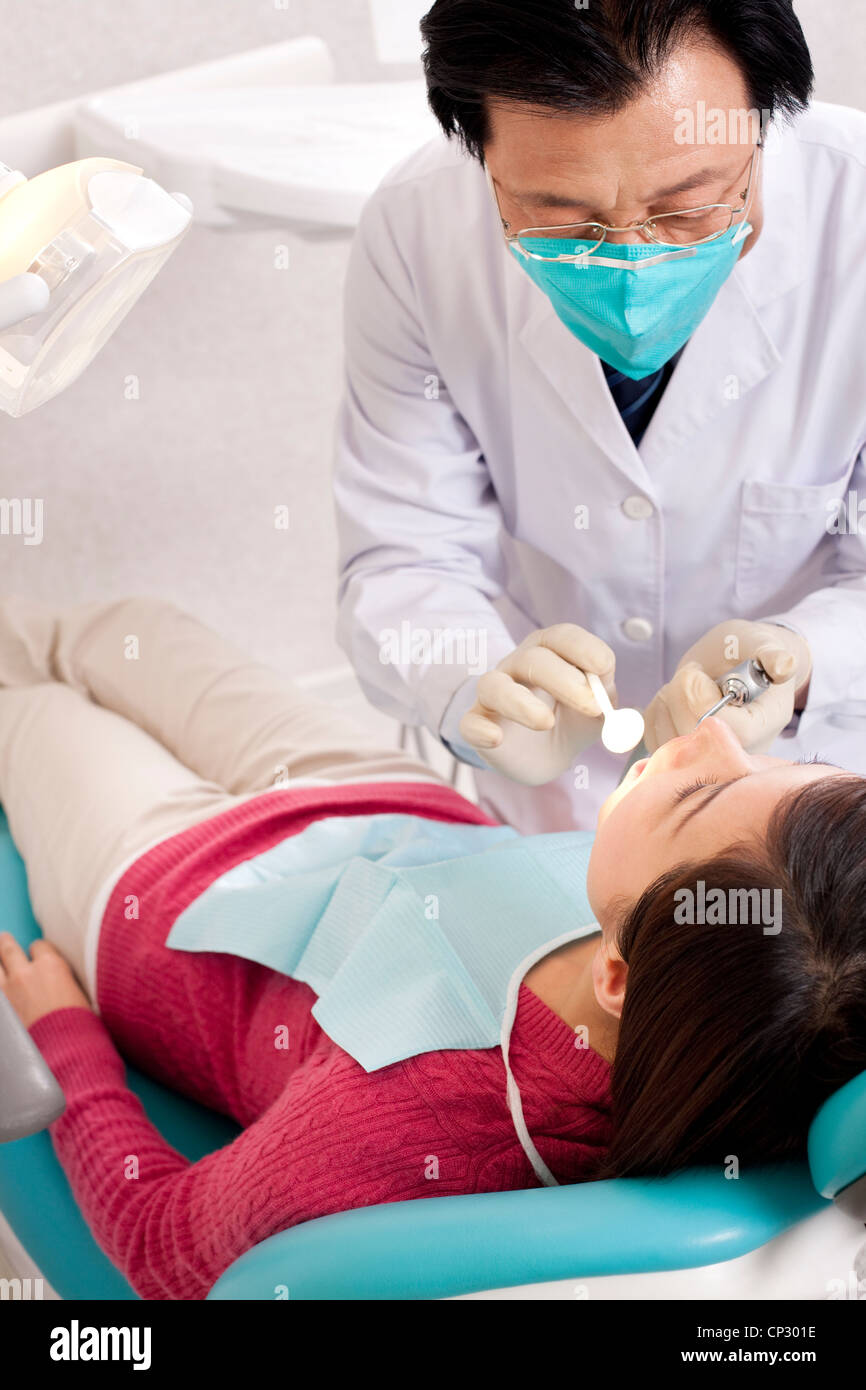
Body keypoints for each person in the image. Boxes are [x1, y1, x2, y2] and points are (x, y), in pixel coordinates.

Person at [1, 596, 865, 1300]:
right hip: (383, 806)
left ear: (617, 974)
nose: (714, 735)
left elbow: (164, 1255)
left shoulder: (410, 1120)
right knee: (125, 628)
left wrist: (67, 1043)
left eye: (699, 795)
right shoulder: (739, 970)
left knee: (26, 706)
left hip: (177, 887)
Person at [333, 0, 866, 835]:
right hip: (556, 807)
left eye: (688, 208)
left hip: (818, 784)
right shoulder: (416, 229)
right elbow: (404, 551)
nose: (632, 262)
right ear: (481, 157)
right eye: (562, 217)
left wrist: (804, 661)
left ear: (766, 124)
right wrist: (475, 684)